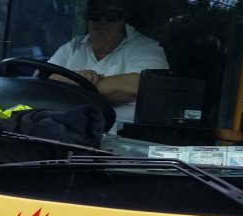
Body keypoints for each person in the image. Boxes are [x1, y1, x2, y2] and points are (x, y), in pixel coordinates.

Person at [48, 0, 168, 128]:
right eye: (95, 14)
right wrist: (82, 80)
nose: (102, 21)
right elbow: (43, 79)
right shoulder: (73, 46)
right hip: (63, 131)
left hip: (123, 136)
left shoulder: (146, 48)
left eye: (112, 15)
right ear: (87, 18)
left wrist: (74, 82)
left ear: (124, 19)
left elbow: (141, 86)